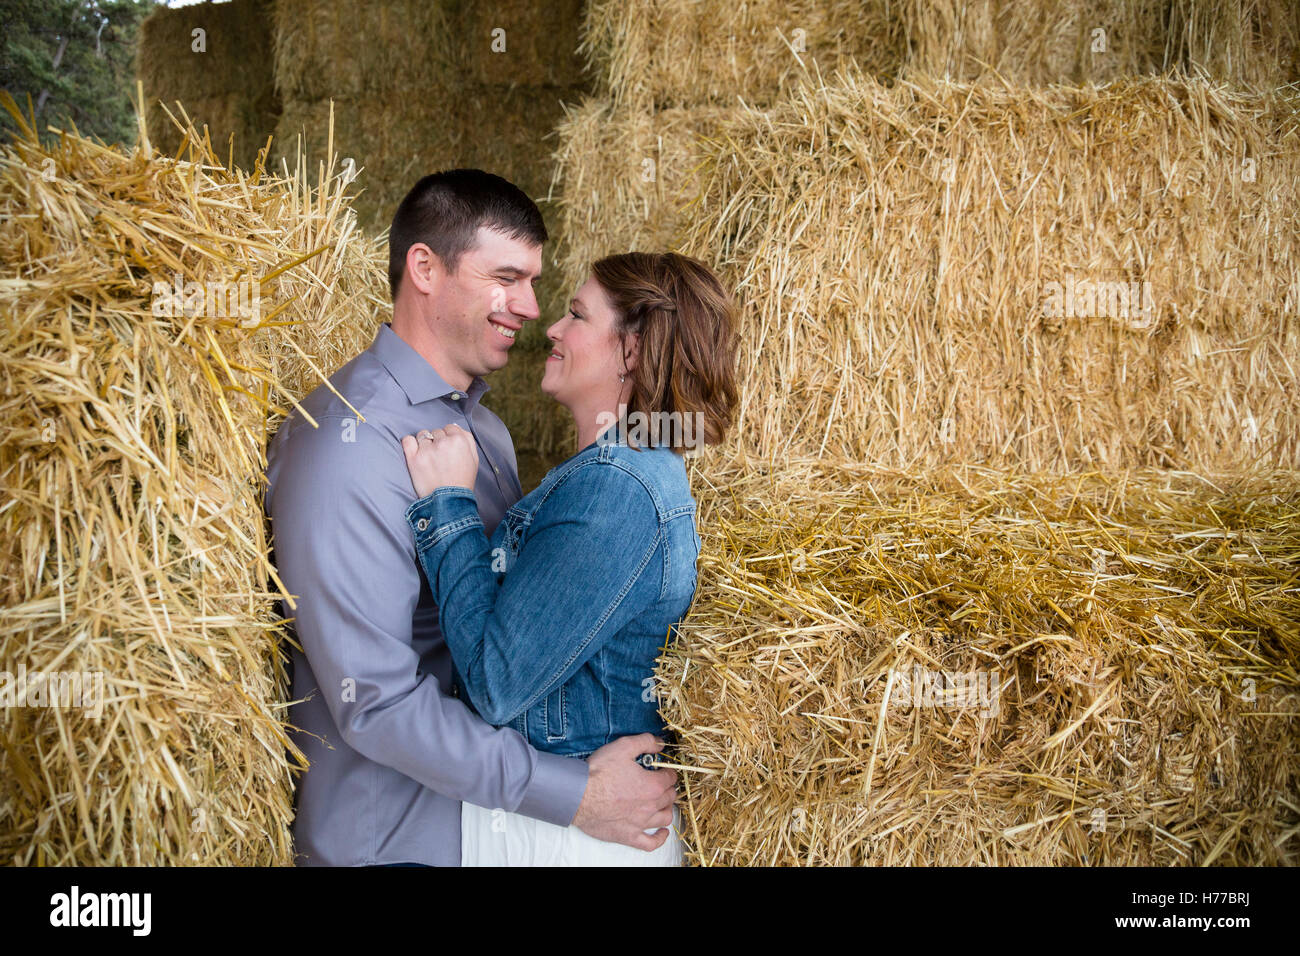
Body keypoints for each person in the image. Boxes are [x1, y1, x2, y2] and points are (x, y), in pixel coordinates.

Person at [265, 170, 678, 866]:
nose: (530, 306)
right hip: (398, 844)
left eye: (536, 282)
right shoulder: (348, 446)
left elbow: (504, 636)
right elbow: (375, 704)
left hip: (487, 827)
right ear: (424, 268)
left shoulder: (486, 434)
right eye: (506, 278)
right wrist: (572, 793)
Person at [401, 251, 739, 865]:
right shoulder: (616, 476)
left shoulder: (618, 488)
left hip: (570, 836)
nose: (552, 328)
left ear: (632, 352)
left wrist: (449, 507)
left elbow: (497, 685)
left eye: (577, 315)